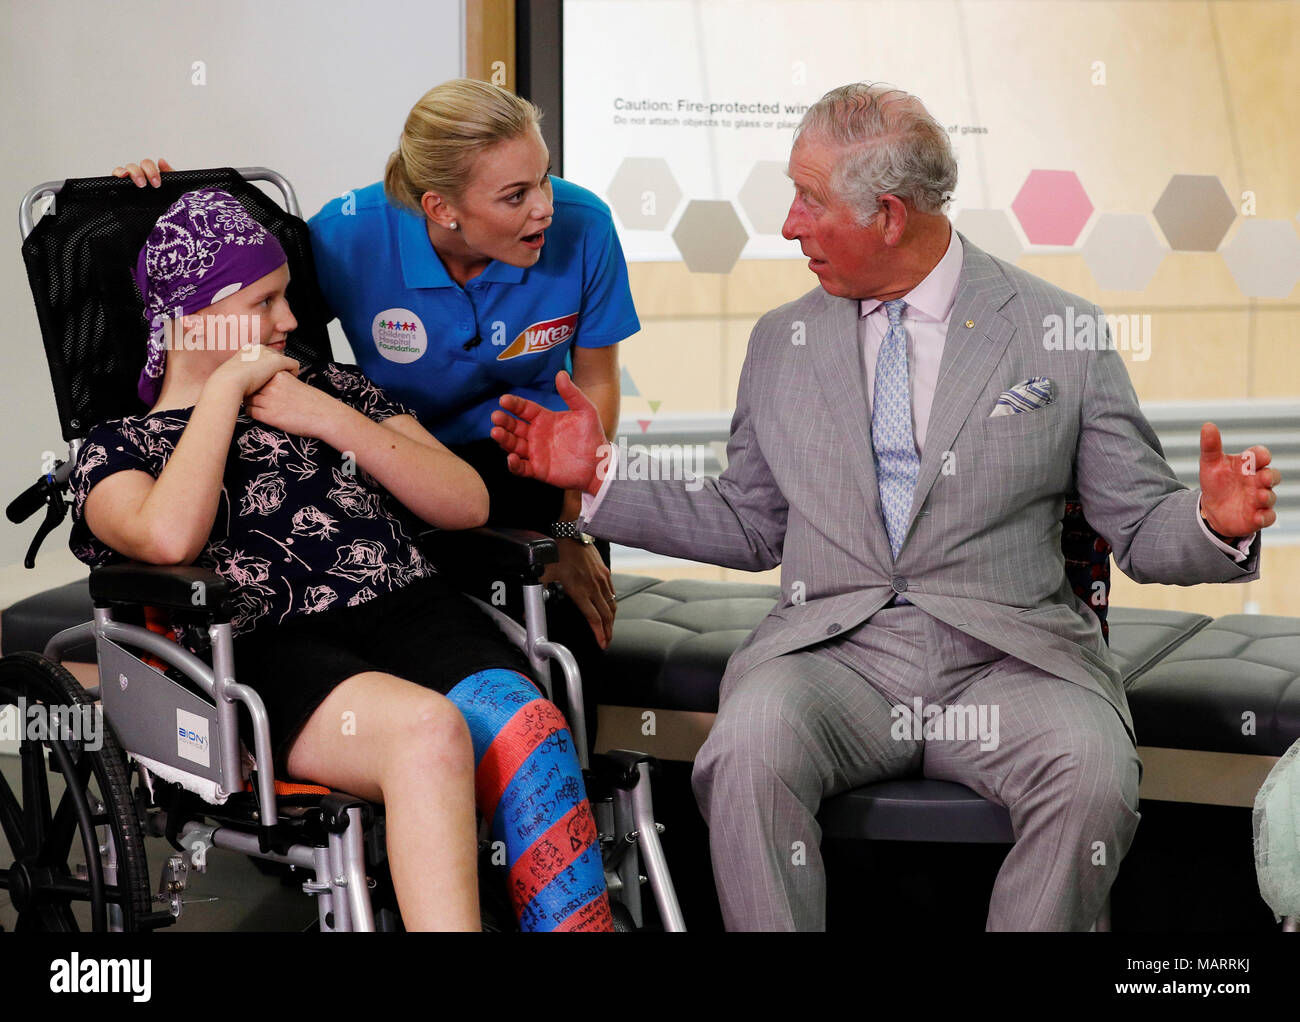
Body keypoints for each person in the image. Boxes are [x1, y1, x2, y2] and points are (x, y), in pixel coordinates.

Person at [490, 83, 1281, 931]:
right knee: (747, 752)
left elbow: (1140, 523)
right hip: (834, 661)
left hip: (1009, 660)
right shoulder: (781, 342)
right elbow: (751, 521)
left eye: (810, 201)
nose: (789, 225)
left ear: (891, 217)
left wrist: (1213, 524)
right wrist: (599, 476)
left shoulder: (1060, 331)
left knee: (1090, 774)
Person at [68, 189, 613, 932]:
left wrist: (325, 415)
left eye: (287, 297)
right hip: (267, 646)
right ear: (195, 316)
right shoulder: (118, 447)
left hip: (410, 609)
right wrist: (224, 390)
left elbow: (466, 502)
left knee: (529, 731)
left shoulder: (332, 388)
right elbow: (169, 541)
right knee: (427, 731)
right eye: (264, 302)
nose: (290, 322)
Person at [114, 81, 638, 753]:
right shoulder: (348, 235)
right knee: (404, 645)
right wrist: (148, 200)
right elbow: (225, 302)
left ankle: (556, 811)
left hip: (530, 466)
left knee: (564, 624)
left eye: (544, 179)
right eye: (516, 195)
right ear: (439, 208)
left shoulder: (582, 224)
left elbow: (595, 381)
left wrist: (572, 523)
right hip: (395, 466)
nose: (545, 207)